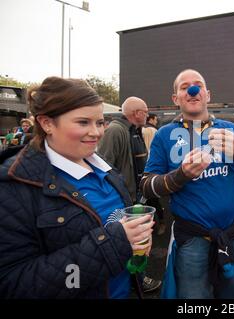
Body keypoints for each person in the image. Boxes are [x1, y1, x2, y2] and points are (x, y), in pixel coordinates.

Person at [0, 76, 154, 298]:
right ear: (47, 123)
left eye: (100, 122)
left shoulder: (106, 169)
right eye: (83, 122)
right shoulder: (15, 185)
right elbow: (14, 284)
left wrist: (136, 240)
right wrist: (115, 244)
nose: (96, 132)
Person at [140, 69, 234, 299]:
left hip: (233, 237)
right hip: (192, 242)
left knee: (232, 298)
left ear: (207, 94)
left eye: (198, 85)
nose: (193, 90)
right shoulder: (164, 135)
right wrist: (181, 175)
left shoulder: (230, 129)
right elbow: (146, 186)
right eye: (185, 86)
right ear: (175, 98)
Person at [97, 97, 162, 293]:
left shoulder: (134, 130)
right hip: (123, 200)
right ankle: (137, 281)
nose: (148, 114)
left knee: (139, 242)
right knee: (129, 242)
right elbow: (104, 166)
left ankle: (137, 278)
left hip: (135, 197)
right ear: (136, 113)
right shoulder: (117, 130)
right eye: (145, 110)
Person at [142, 113, 166, 235]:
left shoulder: (141, 130)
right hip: (152, 167)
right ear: (151, 119)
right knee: (154, 200)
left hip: (144, 168)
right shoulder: (154, 131)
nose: (156, 121)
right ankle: (161, 223)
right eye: (155, 119)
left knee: (146, 201)